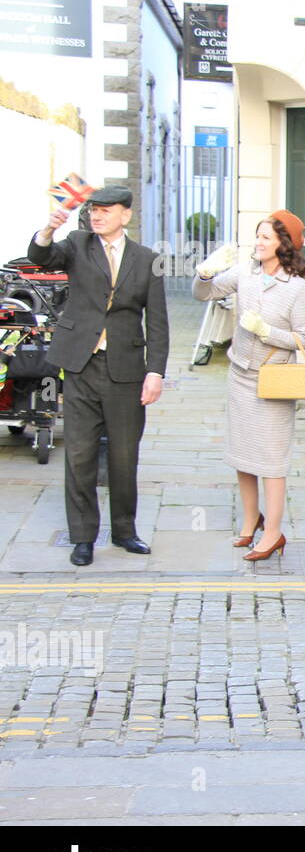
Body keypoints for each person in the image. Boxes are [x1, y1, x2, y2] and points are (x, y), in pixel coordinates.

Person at [28, 186, 169, 567]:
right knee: (79, 453)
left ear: (126, 215)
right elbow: (42, 258)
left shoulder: (147, 260)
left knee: (125, 455)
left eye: (107, 211)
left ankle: (125, 531)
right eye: (94, 210)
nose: (97, 216)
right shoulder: (77, 243)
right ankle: (83, 537)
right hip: (80, 365)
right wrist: (46, 232)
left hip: (125, 370)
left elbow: (157, 322)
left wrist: (155, 372)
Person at [193, 210, 305, 561]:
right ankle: (251, 521)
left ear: (283, 244)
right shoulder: (246, 273)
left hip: (273, 382)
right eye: (257, 236)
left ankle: (274, 533)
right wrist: (204, 272)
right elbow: (204, 293)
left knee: (271, 460)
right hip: (240, 375)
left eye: (266, 237)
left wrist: (267, 332)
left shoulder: (297, 288)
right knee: (243, 455)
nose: (258, 242)